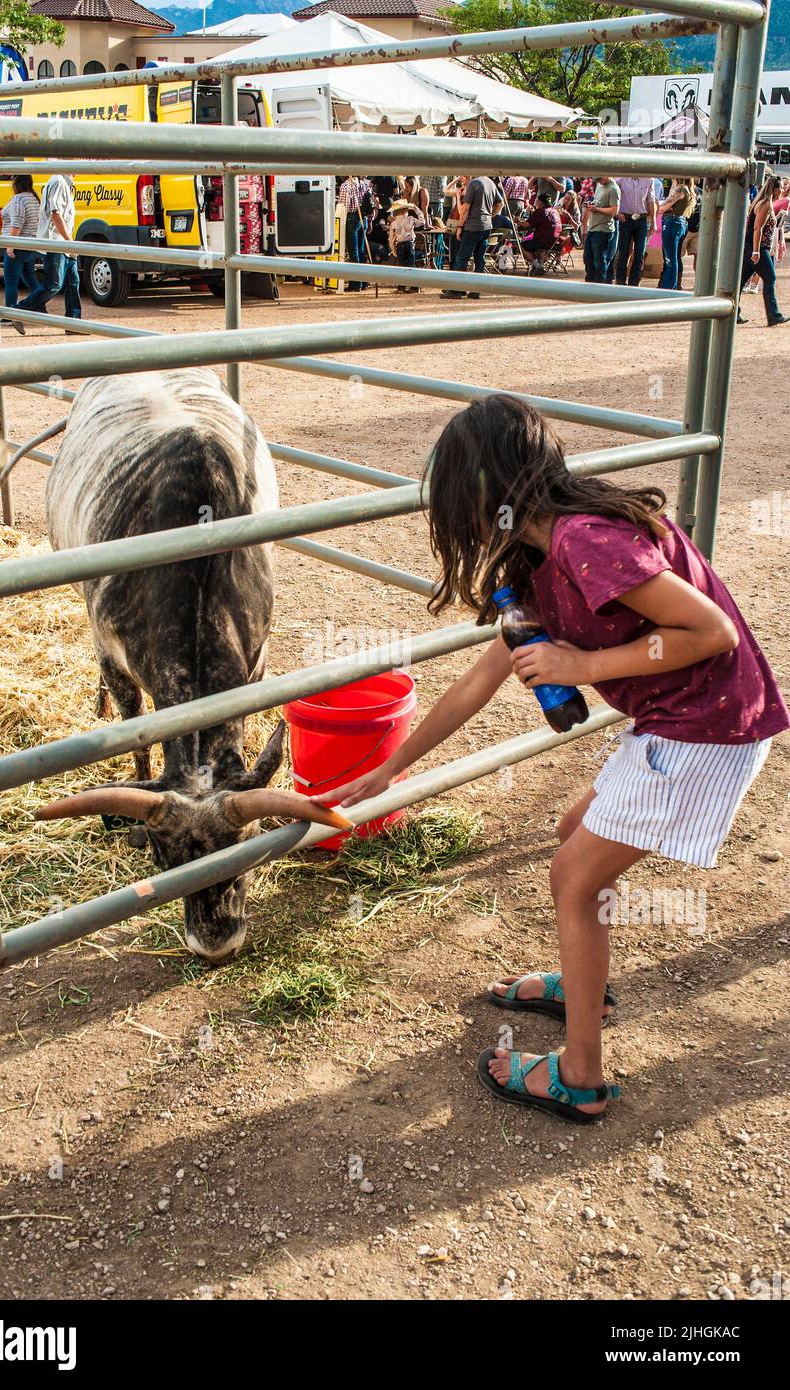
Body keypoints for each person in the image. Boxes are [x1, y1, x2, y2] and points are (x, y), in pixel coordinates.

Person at [313, 395, 789, 1123]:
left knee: (571, 879)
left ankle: (580, 1076)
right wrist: (389, 766)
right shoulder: (537, 557)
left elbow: (711, 632)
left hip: (703, 729)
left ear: (484, 491)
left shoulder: (584, 540)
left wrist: (582, 665)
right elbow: (482, 676)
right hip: (677, 723)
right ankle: (583, 986)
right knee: (576, 835)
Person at [16, 169, 84, 329]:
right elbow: (56, 214)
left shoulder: (62, 182)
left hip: (63, 243)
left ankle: (74, 323)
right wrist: (69, 241)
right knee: (54, 285)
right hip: (57, 243)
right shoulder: (59, 182)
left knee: (72, 282)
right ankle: (18, 311)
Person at [441, 172, 502, 300]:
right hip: (486, 226)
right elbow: (499, 204)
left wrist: (460, 227)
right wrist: (489, 216)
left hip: (472, 226)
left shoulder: (474, 184)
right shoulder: (491, 183)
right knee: (479, 259)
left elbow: (464, 209)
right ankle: (476, 290)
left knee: (462, 258)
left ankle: (457, 290)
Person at [737, 172, 787, 326]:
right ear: (776, 190)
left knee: (740, 282)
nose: (783, 192)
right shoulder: (766, 204)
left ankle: (733, 313)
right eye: (781, 189)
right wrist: (756, 251)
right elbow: (757, 229)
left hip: (753, 247)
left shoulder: (761, 202)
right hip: (758, 248)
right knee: (770, 278)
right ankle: (773, 315)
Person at [0, 174, 41, 333]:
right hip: (30, 245)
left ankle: (10, 313)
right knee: (29, 277)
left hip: (18, 245)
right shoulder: (34, 198)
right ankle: (39, 305)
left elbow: (17, 222)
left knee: (11, 281)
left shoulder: (18, 199)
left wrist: (10, 245)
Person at [613, 176, 656, 286]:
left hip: (641, 219)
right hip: (625, 219)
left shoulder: (649, 180)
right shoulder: (620, 180)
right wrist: (617, 214)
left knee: (640, 252)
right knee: (623, 252)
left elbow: (651, 201)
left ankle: (634, 282)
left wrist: (654, 222)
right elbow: (613, 197)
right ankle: (621, 281)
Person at [658, 177, 696, 290]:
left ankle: (669, 286)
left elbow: (662, 208)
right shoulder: (687, 189)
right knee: (674, 258)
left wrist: (663, 207)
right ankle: (673, 285)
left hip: (672, 222)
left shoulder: (680, 189)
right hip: (680, 222)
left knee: (670, 259)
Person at [338, 174, 374, 292]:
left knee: (353, 252)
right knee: (361, 250)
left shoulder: (345, 186)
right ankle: (363, 281)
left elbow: (344, 208)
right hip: (363, 218)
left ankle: (355, 283)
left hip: (351, 219)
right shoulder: (364, 184)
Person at [583, 174, 620, 283]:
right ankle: (591, 283)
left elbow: (614, 211)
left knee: (599, 262)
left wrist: (596, 209)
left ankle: (600, 286)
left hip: (603, 230)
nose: (599, 181)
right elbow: (598, 202)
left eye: (600, 179)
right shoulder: (599, 185)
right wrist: (591, 205)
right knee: (588, 258)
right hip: (593, 228)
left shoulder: (613, 189)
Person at [387, 197, 424, 291]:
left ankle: (401, 287)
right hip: (410, 244)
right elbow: (422, 221)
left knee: (401, 266)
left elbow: (391, 239)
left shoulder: (394, 223)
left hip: (400, 245)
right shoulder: (411, 219)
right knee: (411, 265)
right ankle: (414, 287)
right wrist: (417, 209)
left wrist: (392, 249)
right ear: (405, 210)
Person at [520, 192, 561, 275]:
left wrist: (517, 220)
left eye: (537, 200)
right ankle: (538, 265)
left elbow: (527, 225)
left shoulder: (540, 211)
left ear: (540, 202)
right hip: (557, 243)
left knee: (522, 246)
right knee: (532, 243)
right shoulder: (555, 211)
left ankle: (538, 266)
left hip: (544, 243)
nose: (536, 202)